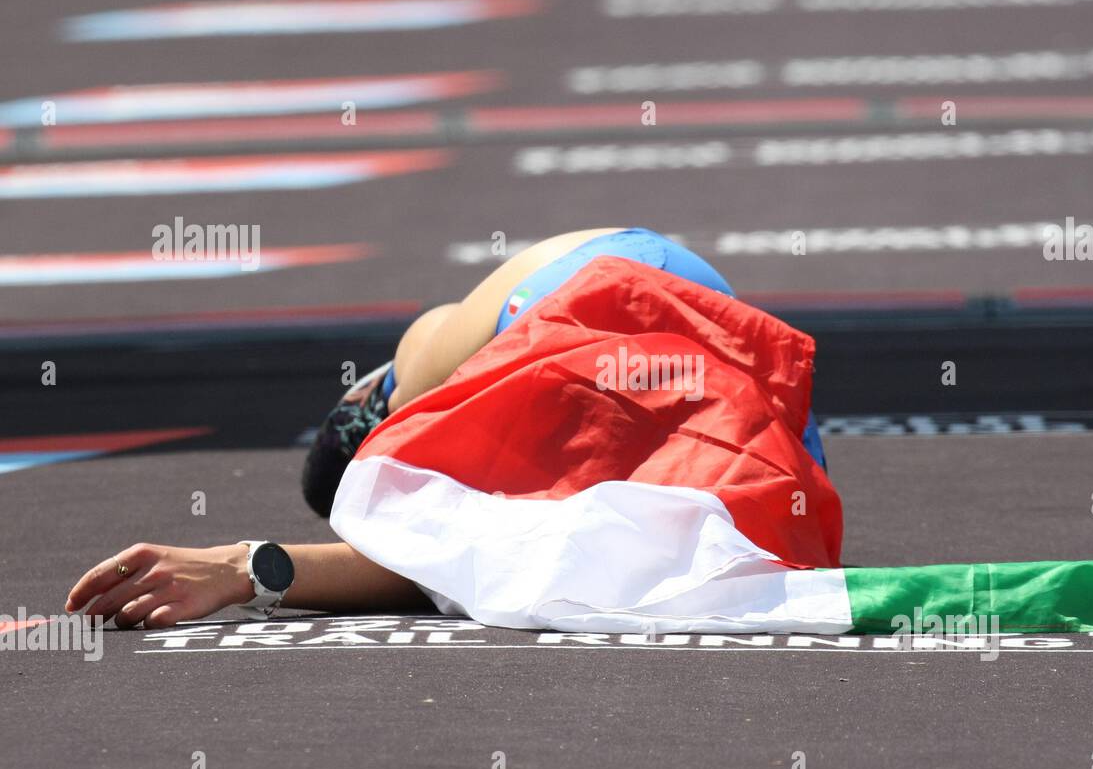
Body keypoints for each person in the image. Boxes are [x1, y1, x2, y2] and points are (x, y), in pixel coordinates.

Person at [65, 227, 828, 630]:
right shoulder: (453, 398)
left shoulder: (453, 409)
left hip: (623, 324)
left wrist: (245, 569)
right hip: (630, 300)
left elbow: (428, 562)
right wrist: (243, 569)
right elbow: (427, 558)